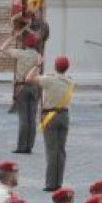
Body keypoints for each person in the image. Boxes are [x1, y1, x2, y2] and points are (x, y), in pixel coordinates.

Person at [28, 55, 74, 192]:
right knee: (61, 151)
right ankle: (59, 181)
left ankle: (51, 183)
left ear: (55, 66)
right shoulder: (70, 81)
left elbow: (29, 78)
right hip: (64, 115)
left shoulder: (49, 80)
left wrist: (37, 65)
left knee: (52, 150)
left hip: (50, 116)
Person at [0, 30, 42, 154]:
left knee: (23, 118)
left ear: (25, 44)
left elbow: (2, 48)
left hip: (22, 87)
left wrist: (13, 37)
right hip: (34, 87)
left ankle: (21, 146)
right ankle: (30, 146)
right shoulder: (38, 56)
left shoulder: (21, 53)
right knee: (32, 118)